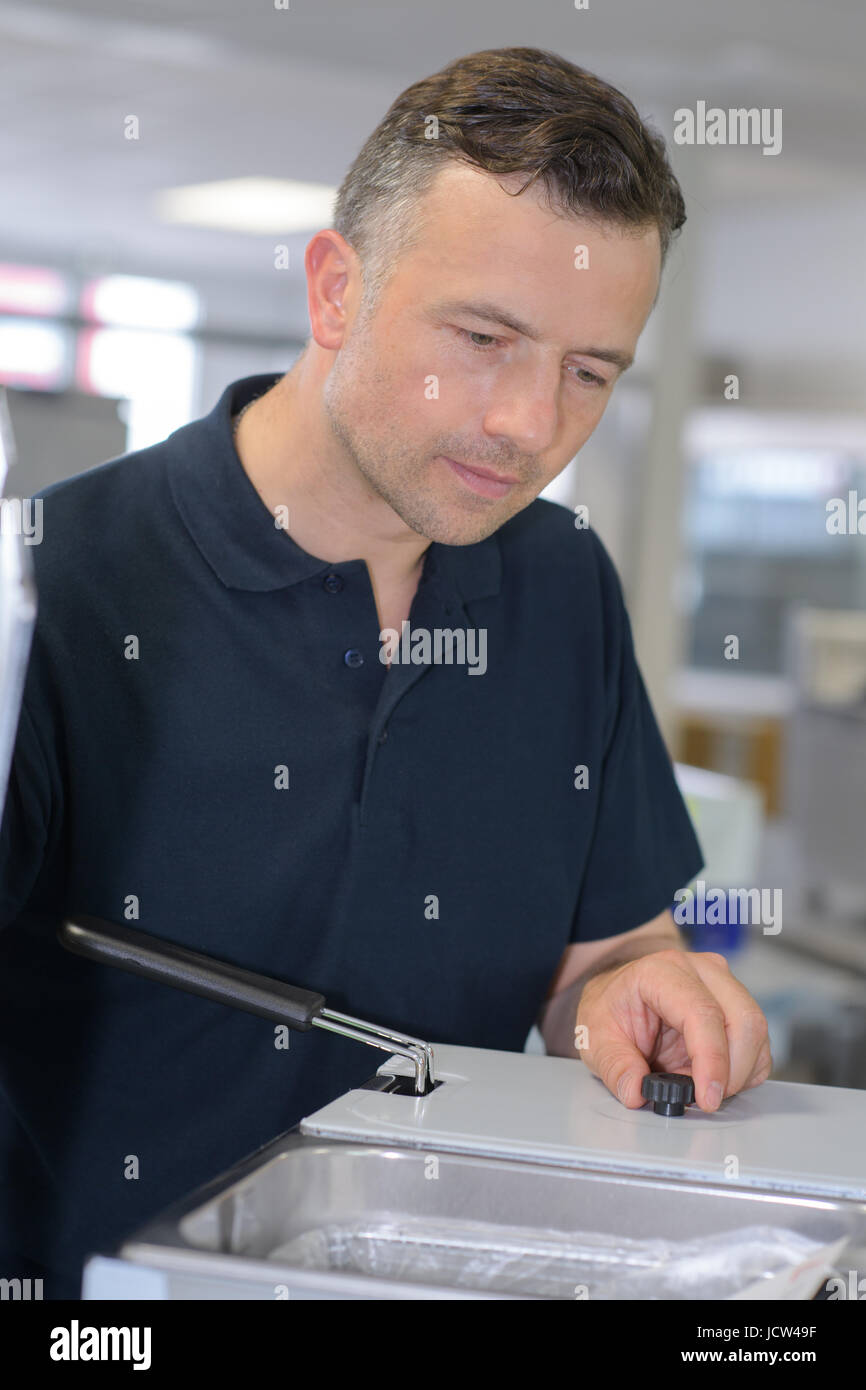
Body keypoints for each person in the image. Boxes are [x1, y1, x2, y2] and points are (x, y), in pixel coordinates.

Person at [0, 45, 771, 1300]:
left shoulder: (561, 582)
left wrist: (641, 990)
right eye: (481, 336)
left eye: (588, 372)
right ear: (333, 290)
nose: (529, 423)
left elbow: (605, 956)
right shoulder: (59, 579)